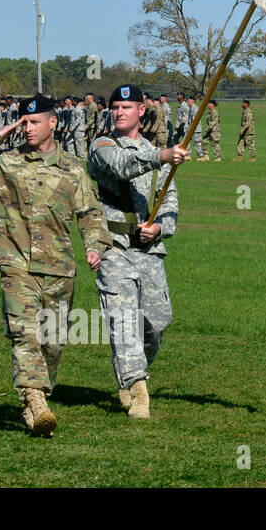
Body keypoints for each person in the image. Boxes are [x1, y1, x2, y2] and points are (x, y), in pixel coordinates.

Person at [0, 92, 108, 436]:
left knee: (53, 342)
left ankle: (34, 400)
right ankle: (36, 400)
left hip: (59, 268)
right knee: (26, 335)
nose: (28, 128)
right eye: (23, 121)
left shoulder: (72, 170)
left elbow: (91, 214)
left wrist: (95, 246)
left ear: (54, 122)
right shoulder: (5, 163)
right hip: (15, 263)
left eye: (34, 121)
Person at [86, 84, 188, 420]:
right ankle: (137, 387)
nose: (119, 112)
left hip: (149, 252)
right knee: (123, 322)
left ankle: (130, 373)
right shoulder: (102, 145)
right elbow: (123, 166)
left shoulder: (157, 153)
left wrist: (159, 228)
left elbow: (170, 199)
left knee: (154, 327)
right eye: (115, 107)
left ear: (141, 110)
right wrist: (162, 155)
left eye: (126, 107)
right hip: (114, 248)